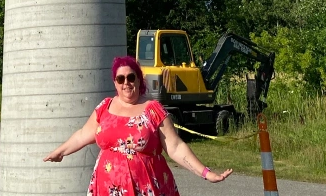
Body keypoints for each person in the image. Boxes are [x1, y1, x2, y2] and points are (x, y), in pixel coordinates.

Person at [43, 55, 232, 193]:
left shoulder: (153, 109)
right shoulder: (104, 108)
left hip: (147, 186)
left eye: (131, 77)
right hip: (107, 187)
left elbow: (175, 147)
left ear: (139, 79)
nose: (126, 83)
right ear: (115, 83)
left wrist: (206, 173)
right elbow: (83, 134)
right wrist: (60, 151)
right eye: (120, 79)